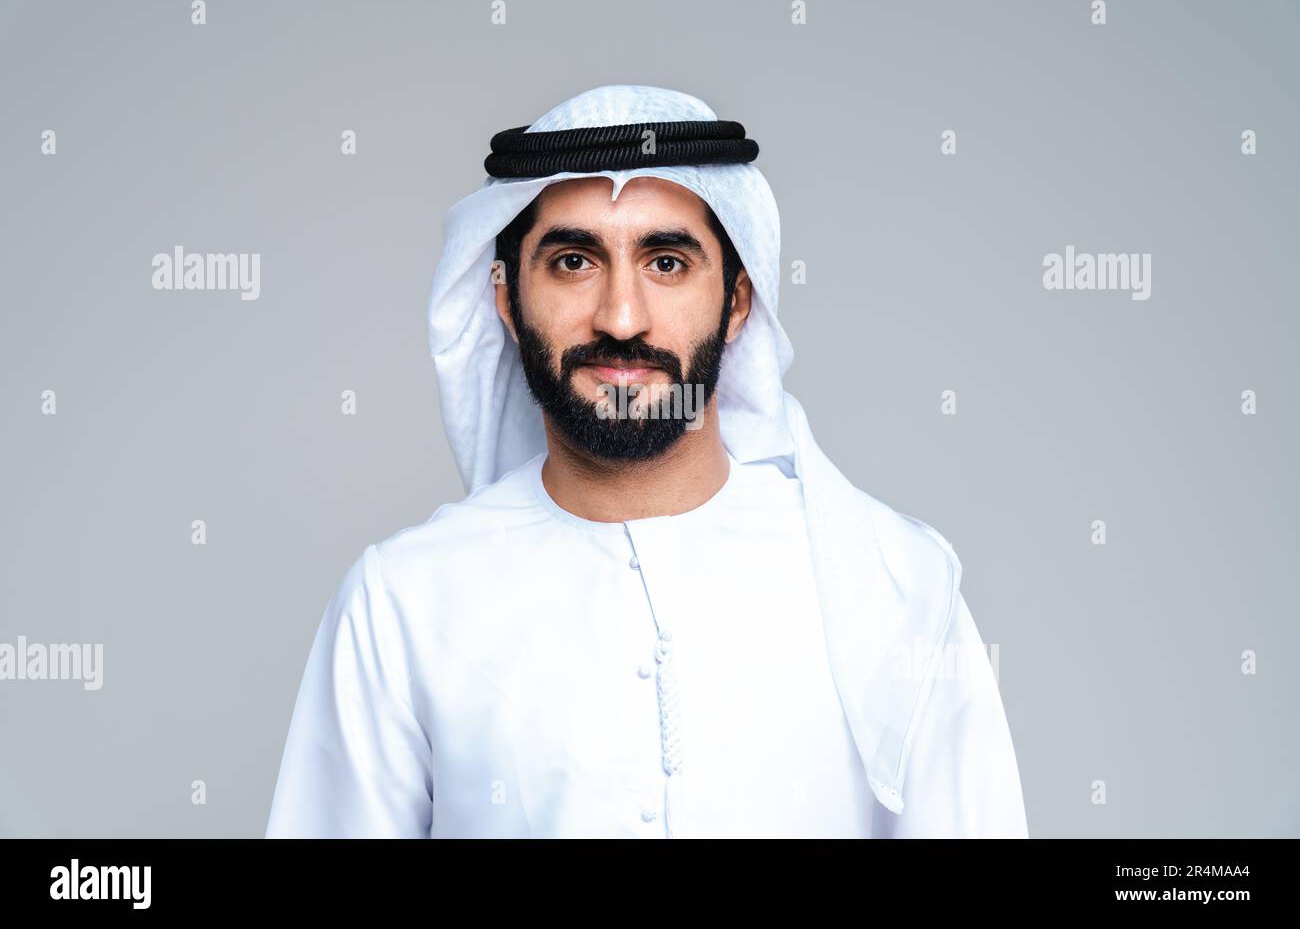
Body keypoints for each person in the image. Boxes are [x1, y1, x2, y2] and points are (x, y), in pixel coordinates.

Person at [265, 84, 1029, 838]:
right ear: (506, 300)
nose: (622, 317)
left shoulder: (897, 585)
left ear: (738, 300)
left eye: (666, 262)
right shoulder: (403, 603)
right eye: (574, 261)